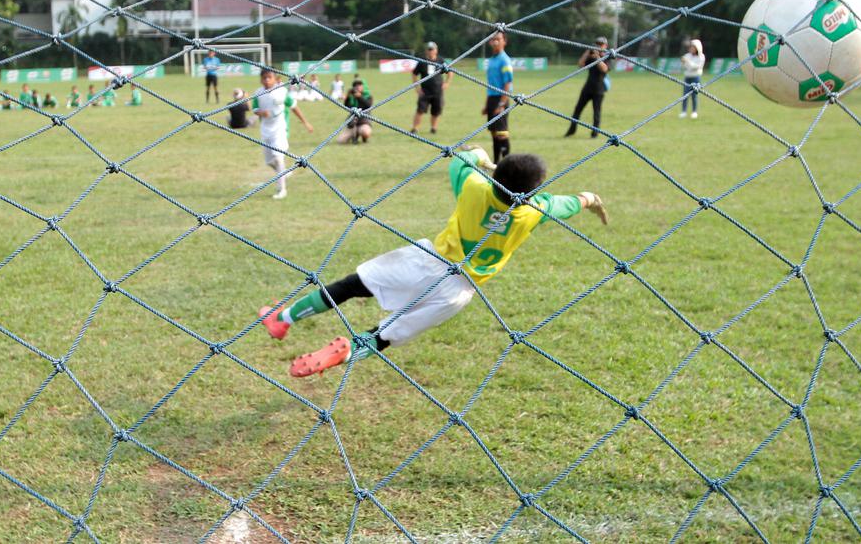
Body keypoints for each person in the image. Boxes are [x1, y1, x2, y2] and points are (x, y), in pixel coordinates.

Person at [257, 146, 608, 377]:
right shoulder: (534, 211)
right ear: (533, 192)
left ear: (495, 176)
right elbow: (571, 202)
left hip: (428, 262)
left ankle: (283, 319)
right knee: (386, 335)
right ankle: (346, 352)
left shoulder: (474, 188)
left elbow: (461, 159)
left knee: (353, 285)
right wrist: (591, 198)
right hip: (458, 292)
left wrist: (480, 155)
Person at [251, 68, 314, 200]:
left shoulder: (282, 92)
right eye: (264, 78)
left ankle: (282, 189)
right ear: (261, 79)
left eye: (269, 77)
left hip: (279, 130)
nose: (267, 80)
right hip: (265, 130)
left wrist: (306, 123)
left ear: (275, 78)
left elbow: (294, 107)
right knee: (269, 161)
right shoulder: (258, 93)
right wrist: (262, 113)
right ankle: (284, 173)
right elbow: (255, 109)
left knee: (278, 158)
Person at [564, 37, 610, 138]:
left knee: (596, 113)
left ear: (605, 46)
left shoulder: (607, 57)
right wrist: (587, 51)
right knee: (577, 110)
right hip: (587, 88)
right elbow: (580, 64)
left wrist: (598, 56)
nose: (598, 46)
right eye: (597, 44)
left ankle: (594, 134)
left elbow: (604, 69)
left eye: (601, 44)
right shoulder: (591, 57)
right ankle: (571, 131)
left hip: (599, 90)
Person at [483, 30, 514, 162]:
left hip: (501, 98)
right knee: (494, 133)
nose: (495, 41)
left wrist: (502, 103)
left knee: (502, 133)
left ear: (504, 42)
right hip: (492, 98)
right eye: (493, 39)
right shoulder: (492, 60)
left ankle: (507, 164)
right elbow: (491, 84)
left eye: (498, 39)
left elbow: (508, 83)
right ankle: (496, 163)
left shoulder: (504, 60)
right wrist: (486, 104)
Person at [410, 41, 450, 135]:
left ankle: (433, 128)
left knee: (436, 111)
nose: (430, 51)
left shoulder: (441, 61)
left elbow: (450, 72)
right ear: (426, 51)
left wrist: (447, 83)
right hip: (425, 91)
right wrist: (417, 87)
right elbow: (414, 74)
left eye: (432, 49)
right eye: (429, 49)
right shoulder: (422, 62)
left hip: (438, 91)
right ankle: (415, 128)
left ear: (436, 50)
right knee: (420, 110)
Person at [337, 79, 373, 144]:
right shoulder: (352, 97)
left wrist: (360, 97)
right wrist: (348, 96)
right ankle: (354, 136)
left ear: (363, 86)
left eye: (360, 85)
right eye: (356, 86)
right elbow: (347, 106)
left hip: (363, 123)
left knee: (366, 132)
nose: (358, 87)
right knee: (340, 141)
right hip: (352, 124)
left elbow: (368, 105)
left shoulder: (368, 96)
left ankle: (364, 138)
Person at [679, 39, 705, 119]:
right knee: (685, 95)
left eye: (693, 47)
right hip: (687, 78)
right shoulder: (687, 55)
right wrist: (684, 63)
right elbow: (685, 67)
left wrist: (688, 62)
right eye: (691, 47)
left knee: (694, 95)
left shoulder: (701, 57)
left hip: (696, 78)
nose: (691, 49)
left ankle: (694, 112)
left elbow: (696, 67)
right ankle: (683, 111)